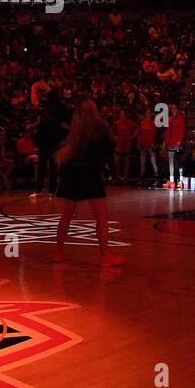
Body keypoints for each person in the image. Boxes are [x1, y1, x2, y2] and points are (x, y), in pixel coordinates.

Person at [52, 99, 122, 268]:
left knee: (67, 216)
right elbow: (109, 149)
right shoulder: (100, 127)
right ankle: (105, 256)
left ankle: (58, 252)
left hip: (71, 173)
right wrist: (113, 172)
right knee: (101, 217)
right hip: (90, 173)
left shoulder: (74, 130)